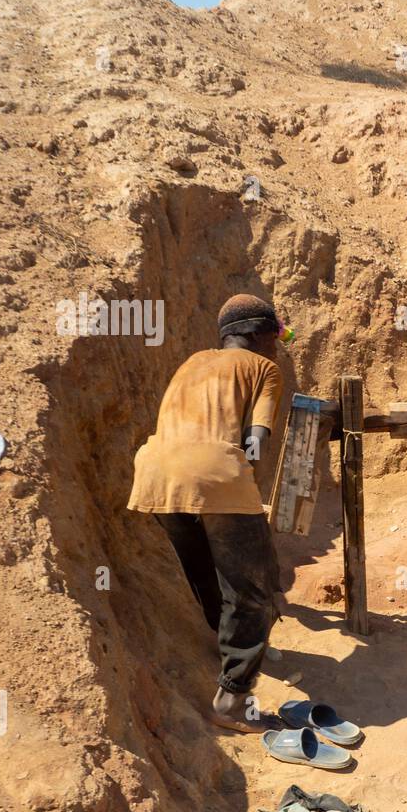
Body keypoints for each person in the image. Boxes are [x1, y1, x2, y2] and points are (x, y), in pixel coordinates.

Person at [127, 293, 289, 730]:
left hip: (155, 473)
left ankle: (227, 651)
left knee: (204, 572)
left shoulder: (192, 362)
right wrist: (243, 481)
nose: (277, 344)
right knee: (252, 588)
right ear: (255, 334)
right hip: (213, 474)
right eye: (276, 334)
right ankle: (233, 699)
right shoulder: (263, 368)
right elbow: (256, 439)